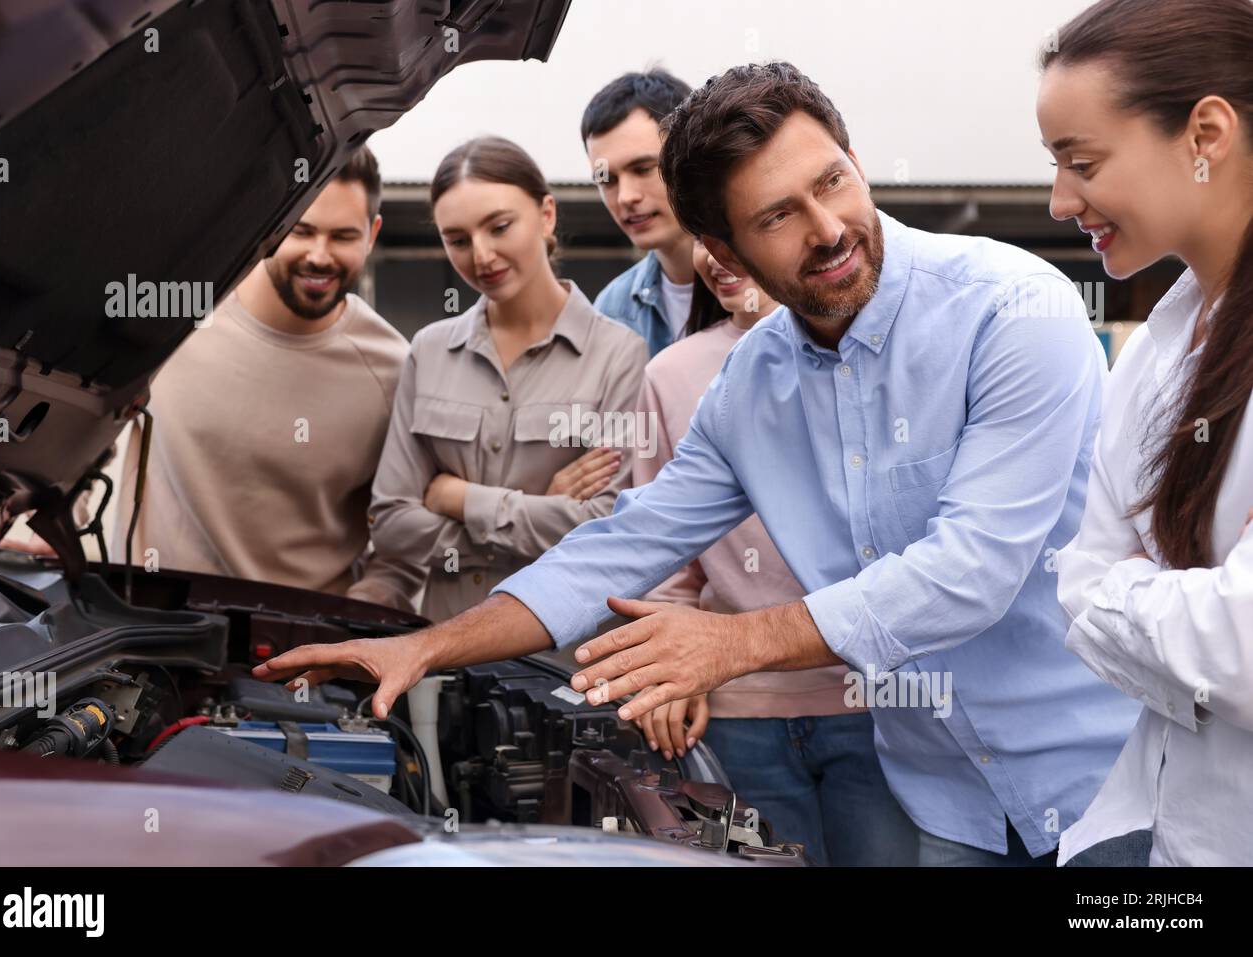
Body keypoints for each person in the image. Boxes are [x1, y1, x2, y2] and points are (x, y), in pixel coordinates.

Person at [255, 62, 1141, 867]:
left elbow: (970, 572)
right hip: (951, 806)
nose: (828, 228)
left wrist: (731, 643)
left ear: (856, 160)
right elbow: (623, 543)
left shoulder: (1015, 310)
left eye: (832, 181)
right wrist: (426, 645)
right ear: (723, 250)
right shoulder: (747, 388)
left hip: (1105, 784)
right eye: (777, 217)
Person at [1038, 0, 1253, 867]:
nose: (1058, 200)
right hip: (1164, 841)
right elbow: (1076, 580)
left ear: (1205, 133)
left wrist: (1123, 597)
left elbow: (1242, 645)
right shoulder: (1155, 352)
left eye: (1080, 161)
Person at [634, 238, 917, 865]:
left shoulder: (879, 355)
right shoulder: (670, 375)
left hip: (875, 703)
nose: (717, 253)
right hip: (735, 711)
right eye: (701, 234)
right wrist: (672, 670)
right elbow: (664, 560)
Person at [112, 147, 422, 608]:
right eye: (302, 231)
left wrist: (349, 631)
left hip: (297, 654)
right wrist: (64, 539)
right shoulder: (171, 315)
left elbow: (404, 549)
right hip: (143, 630)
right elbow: (86, 428)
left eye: (342, 236)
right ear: (270, 221)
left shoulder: (396, 370)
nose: (319, 256)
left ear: (372, 235)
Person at [361, 136, 648, 623]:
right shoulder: (428, 352)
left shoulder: (621, 357)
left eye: (499, 227)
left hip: (562, 662)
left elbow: (610, 528)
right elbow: (390, 523)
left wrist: (460, 499)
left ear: (547, 215)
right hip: (444, 657)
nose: (481, 255)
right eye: (457, 239)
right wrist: (539, 511)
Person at [585, 70, 697, 356]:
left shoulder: (765, 290)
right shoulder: (611, 310)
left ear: (691, 158)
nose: (625, 197)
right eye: (606, 180)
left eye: (643, 169)